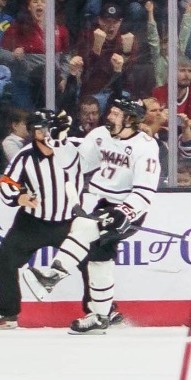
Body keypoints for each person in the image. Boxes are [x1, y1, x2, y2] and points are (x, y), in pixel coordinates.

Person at [20, 94, 162, 335]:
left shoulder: (146, 147)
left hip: (129, 208)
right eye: (112, 112)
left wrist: (124, 212)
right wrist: (61, 141)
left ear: (130, 119)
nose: (110, 116)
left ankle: (52, 275)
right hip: (102, 202)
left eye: (117, 114)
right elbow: (77, 166)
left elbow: (145, 191)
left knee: (84, 227)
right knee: (99, 255)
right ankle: (100, 316)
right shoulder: (100, 136)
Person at [0, 110, 82, 329]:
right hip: (33, 222)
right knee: (4, 260)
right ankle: (7, 312)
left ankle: (100, 311)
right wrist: (19, 196)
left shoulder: (73, 149)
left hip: (70, 222)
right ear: (31, 132)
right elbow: (7, 183)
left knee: (93, 262)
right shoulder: (24, 156)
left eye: (48, 128)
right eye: (39, 129)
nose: (45, 133)